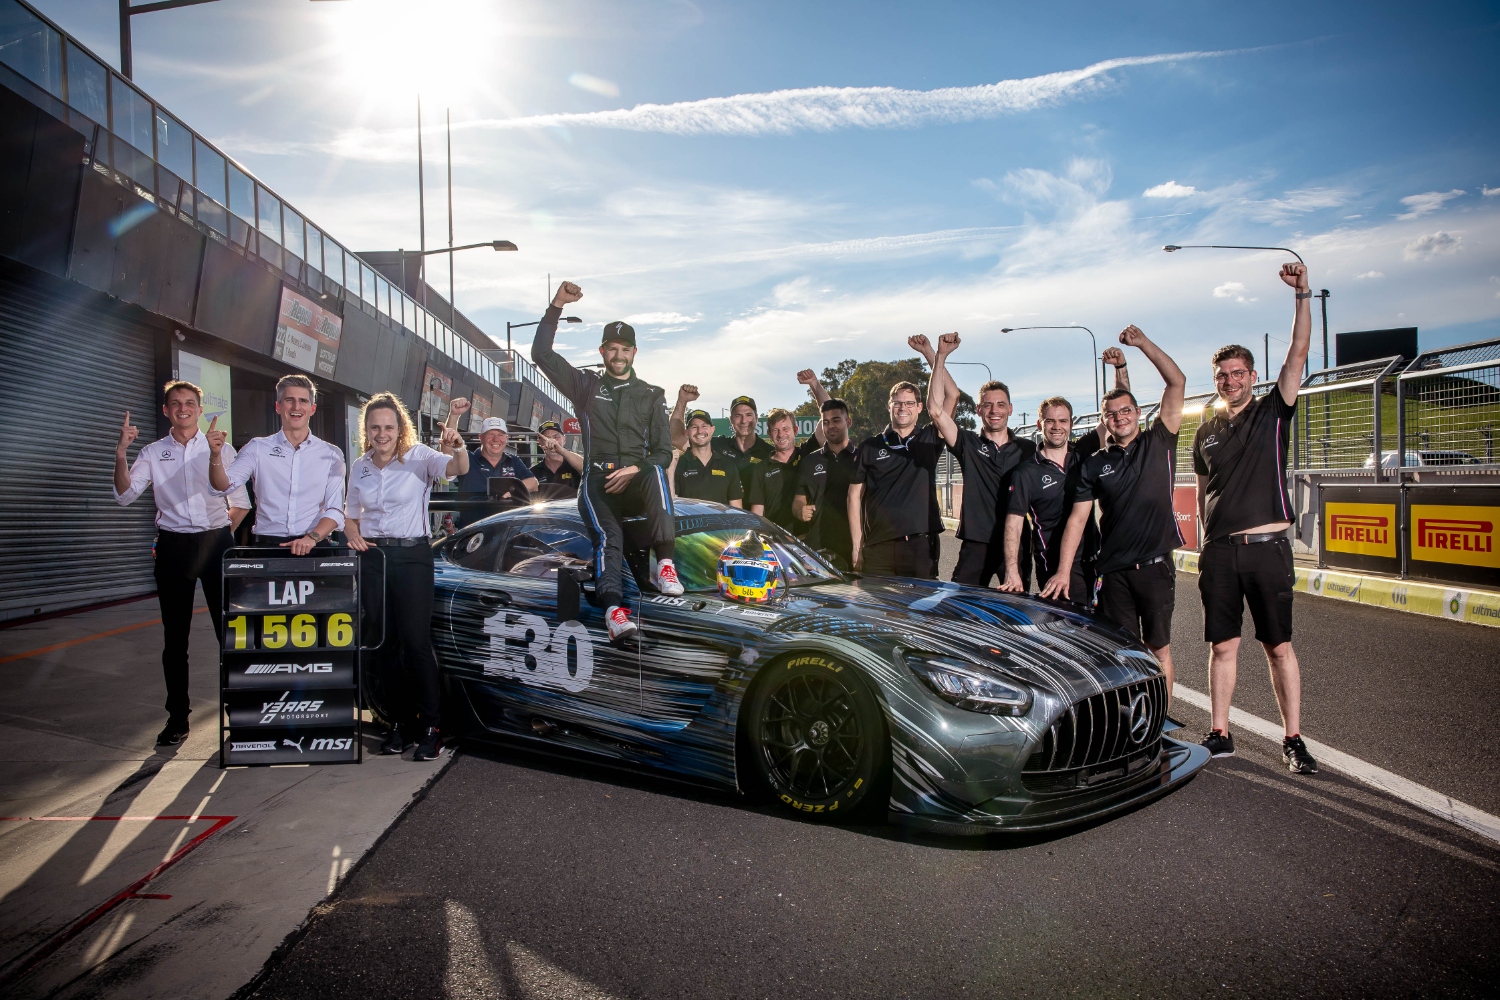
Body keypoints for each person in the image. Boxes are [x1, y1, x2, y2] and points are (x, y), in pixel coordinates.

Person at [1193, 263, 1318, 774]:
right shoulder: (1205, 432)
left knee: (1278, 646)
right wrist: (1205, 544)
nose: (1230, 380)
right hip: (1221, 555)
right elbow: (1204, 495)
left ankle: (1293, 739)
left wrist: (1302, 295)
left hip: (1268, 551)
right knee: (1223, 647)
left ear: (1253, 377)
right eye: (1222, 375)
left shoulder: (1273, 412)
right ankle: (1221, 733)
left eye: (1238, 373)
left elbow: (1299, 353)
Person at [532, 282, 682, 643]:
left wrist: (636, 468)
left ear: (634, 352)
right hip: (597, 483)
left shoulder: (651, 394)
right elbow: (541, 354)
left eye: (624, 349)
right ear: (602, 351)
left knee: (657, 470)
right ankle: (614, 611)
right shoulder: (584, 385)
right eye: (612, 349)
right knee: (609, 537)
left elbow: (663, 451)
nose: (618, 355)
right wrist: (557, 306)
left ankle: (665, 562)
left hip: (636, 479)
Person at [1041, 326, 1185, 698]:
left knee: (1159, 651)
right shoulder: (1093, 464)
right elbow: (1077, 520)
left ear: (1138, 412)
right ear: (1104, 420)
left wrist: (1141, 346)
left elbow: (1176, 381)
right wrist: (1061, 570)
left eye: (1125, 410)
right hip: (1114, 571)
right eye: (1111, 414)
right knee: (1123, 654)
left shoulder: (1159, 441)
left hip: (1155, 567)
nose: (1119, 417)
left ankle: (1161, 721)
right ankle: (1131, 725)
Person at [114, 381, 251, 745]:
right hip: (174, 547)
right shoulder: (152, 452)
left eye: (190, 402)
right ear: (166, 411)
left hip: (216, 543)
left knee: (230, 635)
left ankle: (239, 714)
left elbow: (240, 501)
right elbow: (125, 495)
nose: (183, 408)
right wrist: (121, 453)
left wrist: (221, 534)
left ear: (199, 408)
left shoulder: (220, 447)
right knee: (175, 641)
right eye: (175, 403)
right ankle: (177, 719)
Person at [344, 393, 467, 762]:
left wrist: (458, 445)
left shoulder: (420, 457)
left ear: (401, 429)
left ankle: (431, 726)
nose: (382, 433)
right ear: (366, 430)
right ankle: (400, 724)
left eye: (389, 427)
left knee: (415, 643)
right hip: (373, 557)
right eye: (375, 427)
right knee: (383, 644)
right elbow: (350, 512)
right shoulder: (360, 466)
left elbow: (456, 468)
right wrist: (351, 533)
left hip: (412, 556)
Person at [1001, 348, 1132, 599]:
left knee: (1103, 630)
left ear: (1071, 424)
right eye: (1050, 421)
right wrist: (1012, 570)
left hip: (1096, 558)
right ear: (1040, 425)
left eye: (1063, 421)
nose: (1057, 427)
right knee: (1069, 633)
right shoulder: (1025, 473)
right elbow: (1014, 524)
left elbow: (1118, 412)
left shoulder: (1082, 453)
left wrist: (1119, 368)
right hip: (1056, 567)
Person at [925, 333, 1035, 588]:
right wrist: (939, 356)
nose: (994, 410)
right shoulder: (968, 443)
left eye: (1000, 404)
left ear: (1010, 408)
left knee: (1016, 613)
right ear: (978, 410)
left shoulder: (1028, 449)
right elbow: (935, 410)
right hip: (977, 542)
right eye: (987, 405)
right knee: (958, 608)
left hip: (1017, 542)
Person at [208, 374, 345, 555]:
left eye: (303, 401)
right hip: (267, 547)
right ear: (278, 407)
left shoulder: (332, 454)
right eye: (289, 400)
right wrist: (215, 456)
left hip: (314, 546)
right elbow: (223, 486)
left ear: (312, 409)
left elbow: (335, 509)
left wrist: (311, 538)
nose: (296, 407)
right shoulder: (257, 447)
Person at [847, 372, 945, 578]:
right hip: (877, 547)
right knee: (876, 610)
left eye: (909, 403)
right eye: (897, 403)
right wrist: (857, 546)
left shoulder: (930, 438)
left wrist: (937, 355)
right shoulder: (869, 446)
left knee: (920, 608)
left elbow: (951, 397)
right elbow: (853, 497)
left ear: (920, 407)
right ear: (889, 406)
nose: (903, 408)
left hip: (919, 546)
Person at [793, 396, 859, 570]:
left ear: (848, 422)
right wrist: (800, 510)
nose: (830, 426)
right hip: (817, 549)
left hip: (854, 547)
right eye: (826, 422)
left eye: (836, 420)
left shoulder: (862, 459)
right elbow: (798, 500)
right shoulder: (809, 461)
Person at [671, 387, 773, 494]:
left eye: (748, 415)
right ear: (731, 419)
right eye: (738, 415)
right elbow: (676, 437)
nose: (744, 420)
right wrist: (682, 400)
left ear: (756, 418)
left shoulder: (769, 453)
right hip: (721, 510)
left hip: (755, 510)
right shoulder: (717, 445)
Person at [746, 408, 820, 532]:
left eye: (785, 429)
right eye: (776, 430)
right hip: (776, 541)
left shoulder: (807, 456)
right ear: (769, 434)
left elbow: (829, 412)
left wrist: (815, 387)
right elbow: (757, 513)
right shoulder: (760, 469)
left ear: (796, 430)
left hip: (807, 541)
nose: (781, 435)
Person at [673, 408, 744, 507]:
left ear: (712, 430)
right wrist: (671, 468)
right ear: (687, 432)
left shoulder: (728, 465)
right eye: (694, 427)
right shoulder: (678, 465)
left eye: (704, 426)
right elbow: (673, 505)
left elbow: (737, 509)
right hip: (690, 522)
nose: (700, 431)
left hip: (721, 522)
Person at [457, 415, 537, 499]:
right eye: (491, 434)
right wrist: (454, 416)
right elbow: (447, 452)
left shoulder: (513, 460)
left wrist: (513, 490)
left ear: (506, 438)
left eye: (500, 435)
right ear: (480, 438)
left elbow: (533, 483)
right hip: (474, 512)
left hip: (506, 512)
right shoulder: (467, 458)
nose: (496, 439)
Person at [531, 420, 583, 494]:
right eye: (547, 438)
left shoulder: (574, 465)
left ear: (564, 439)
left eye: (556, 437)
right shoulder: (533, 472)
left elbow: (587, 468)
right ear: (539, 442)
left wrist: (561, 450)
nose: (552, 441)